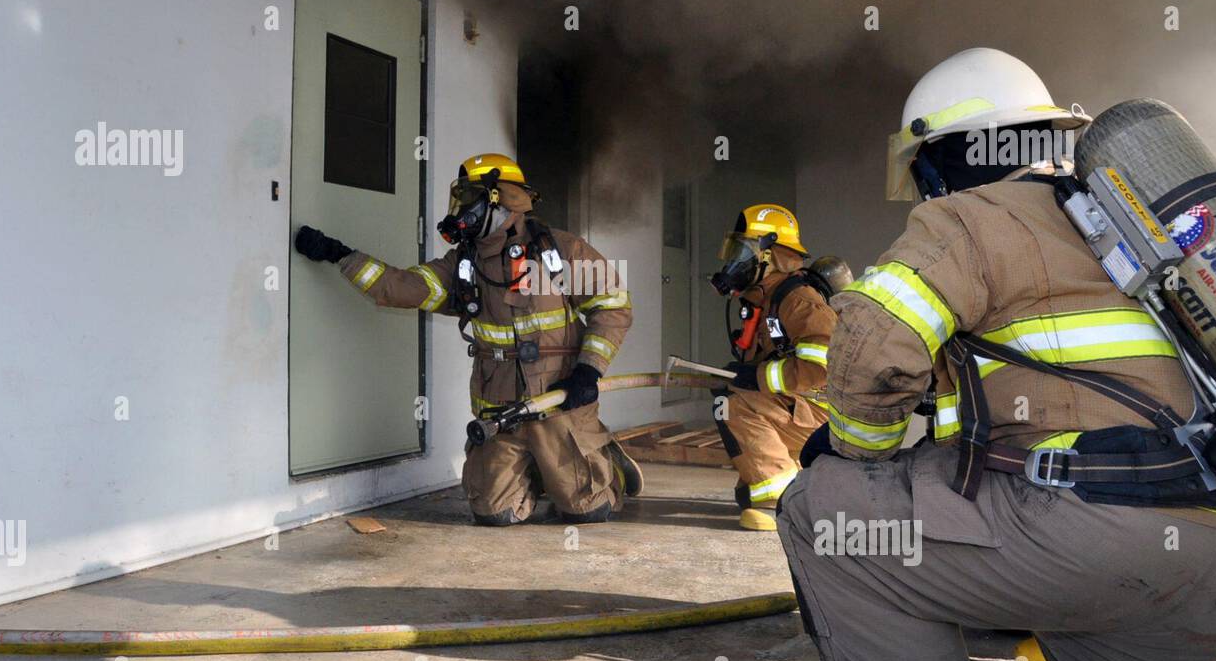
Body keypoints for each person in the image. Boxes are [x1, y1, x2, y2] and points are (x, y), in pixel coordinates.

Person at [777, 47, 1216, 661]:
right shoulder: (1124, 221)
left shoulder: (972, 215)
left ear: (942, 155)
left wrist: (855, 447)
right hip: (1201, 540)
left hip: (1088, 531)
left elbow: (876, 343)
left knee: (823, 513)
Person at [296, 153, 639, 525]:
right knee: (493, 513)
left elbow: (613, 306)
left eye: (470, 197)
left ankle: (609, 465)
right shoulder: (463, 266)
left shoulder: (561, 251)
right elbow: (402, 288)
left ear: (501, 198)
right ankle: (541, 472)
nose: (461, 209)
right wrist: (340, 255)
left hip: (559, 403)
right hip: (498, 410)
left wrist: (588, 371)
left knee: (587, 510)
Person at [709, 205, 841, 530]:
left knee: (730, 403)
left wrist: (755, 378)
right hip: (807, 412)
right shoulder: (765, 300)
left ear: (770, 255)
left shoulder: (798, 300)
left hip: (828, 419)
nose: (735, 262)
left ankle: (781, 500)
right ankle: (789, 478)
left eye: (744, 252)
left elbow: (823, 365)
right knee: (730, 396)